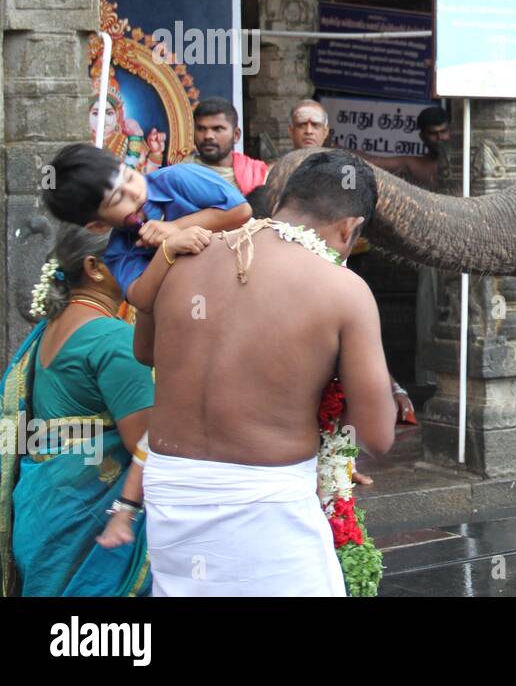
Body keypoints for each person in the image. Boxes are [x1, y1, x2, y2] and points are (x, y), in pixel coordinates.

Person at [138, 149, 396, 596]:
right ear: (349, 229)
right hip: (265, 500)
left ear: (282, 203)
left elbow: (144, 353)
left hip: (169, 488)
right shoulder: (343, 289)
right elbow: (377, 434)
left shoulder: (185, 256)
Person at [0, 224, 154, 596]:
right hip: (93, 521)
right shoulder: (113, 339)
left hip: (45, 509)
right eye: (133, 257)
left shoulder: (47, 330)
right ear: (95, 267)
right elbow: (150, 447)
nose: (145, 268)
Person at [42, 142, 251, 311]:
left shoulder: (177, 179)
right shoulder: (120, 250)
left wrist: (177, 226)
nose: (134, 192)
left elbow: (240, 211)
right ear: (98, 226)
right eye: (117, 198)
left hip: (247, 281)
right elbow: (140, 298)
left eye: (129, 176)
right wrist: (167, 250)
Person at [180, 96, 269, 196]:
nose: (208, 136)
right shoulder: (179, 175)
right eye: (201, 129)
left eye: (217, 129)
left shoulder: (257, 174)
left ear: (236, 135)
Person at [358, 105, 451, 192]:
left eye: (443, 131)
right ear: (422, 136)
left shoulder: (463, 162)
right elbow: (374, 161)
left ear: (450, 132)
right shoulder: (413, 164)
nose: (440, 138)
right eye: (433, 133)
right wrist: (343, 152)